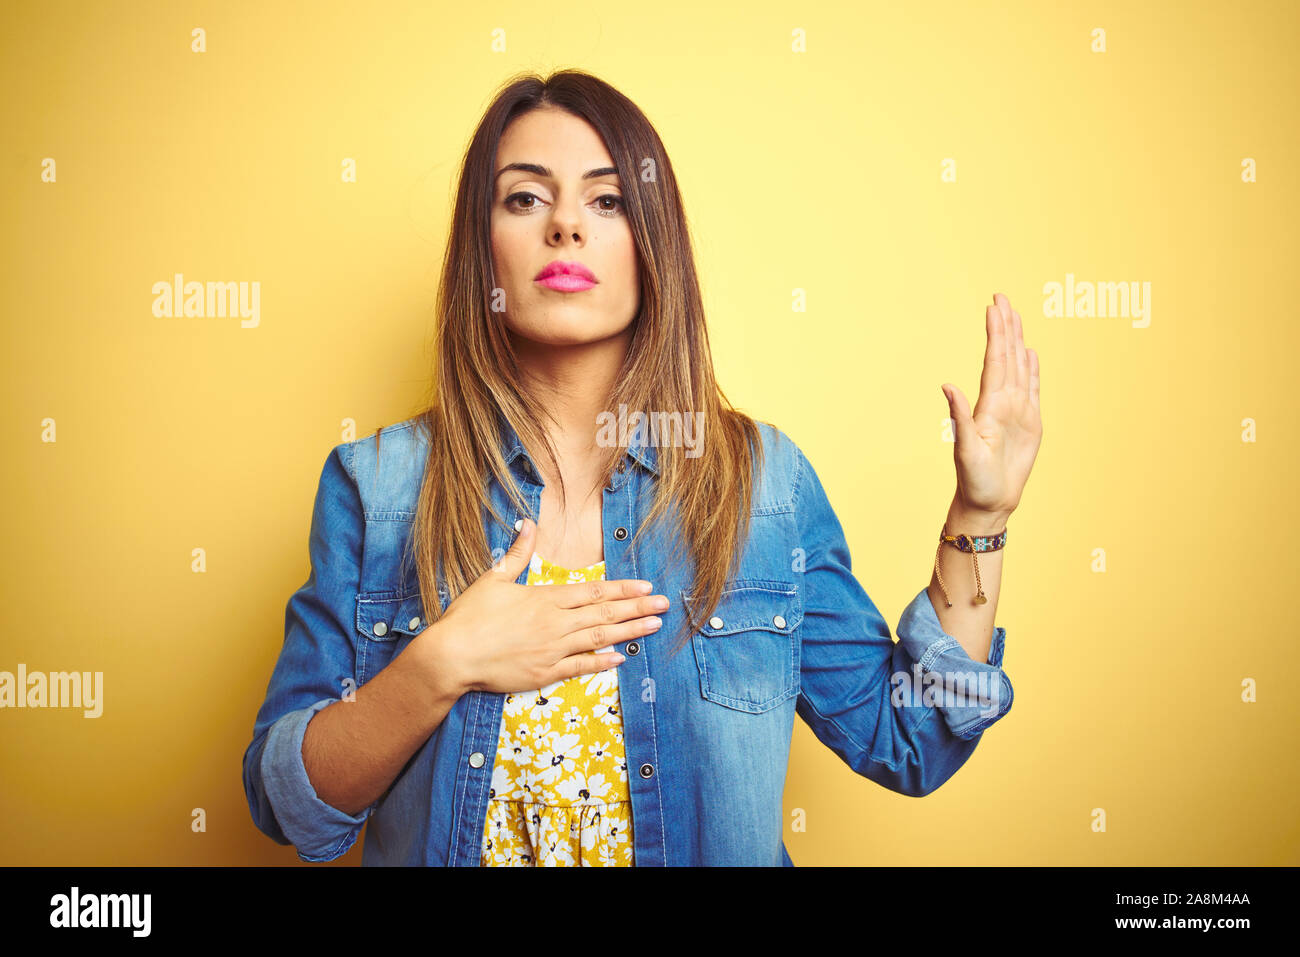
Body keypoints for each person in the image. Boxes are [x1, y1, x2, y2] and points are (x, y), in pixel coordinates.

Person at [242, 68, 1043, 867]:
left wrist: (981, 518)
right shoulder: (378, 488)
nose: (564, 227)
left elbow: (909, 738)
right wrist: (441, 664)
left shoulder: (761, 487)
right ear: (480, 250)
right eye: (524, 198)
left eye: (607, 199)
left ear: (651, 239)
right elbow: (288, 806)